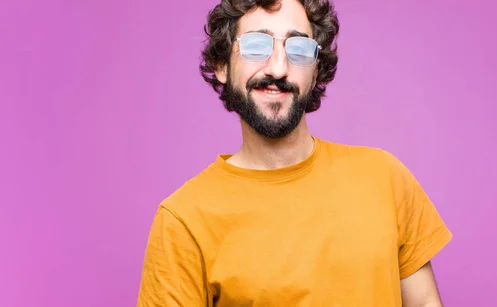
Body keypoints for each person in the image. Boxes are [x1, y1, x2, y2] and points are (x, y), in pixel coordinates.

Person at [136, 0, 452, 306]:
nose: (278, 68)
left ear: (315, 72)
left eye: (298, 50)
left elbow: (424, 302)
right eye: (256, 46)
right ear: (222, 65)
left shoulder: (384, 176)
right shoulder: (183, 220)